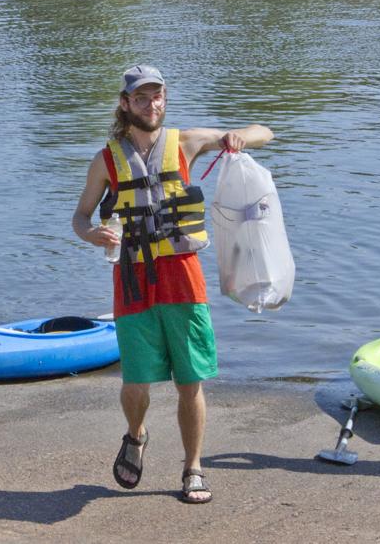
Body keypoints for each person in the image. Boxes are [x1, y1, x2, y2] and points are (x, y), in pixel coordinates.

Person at [72, 65, 274, 503]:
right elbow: (80, 216)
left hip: (182, 277)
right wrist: (90, 234)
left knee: (190, 379)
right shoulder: (105, 160)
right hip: (132, 278)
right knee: (136, 383)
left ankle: (193, 468)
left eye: (158, 96)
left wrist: (239, 138)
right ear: (125, 104)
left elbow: (266, 130)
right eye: (142, 98)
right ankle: (136, 434)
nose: (152, 104)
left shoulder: (186, 142)